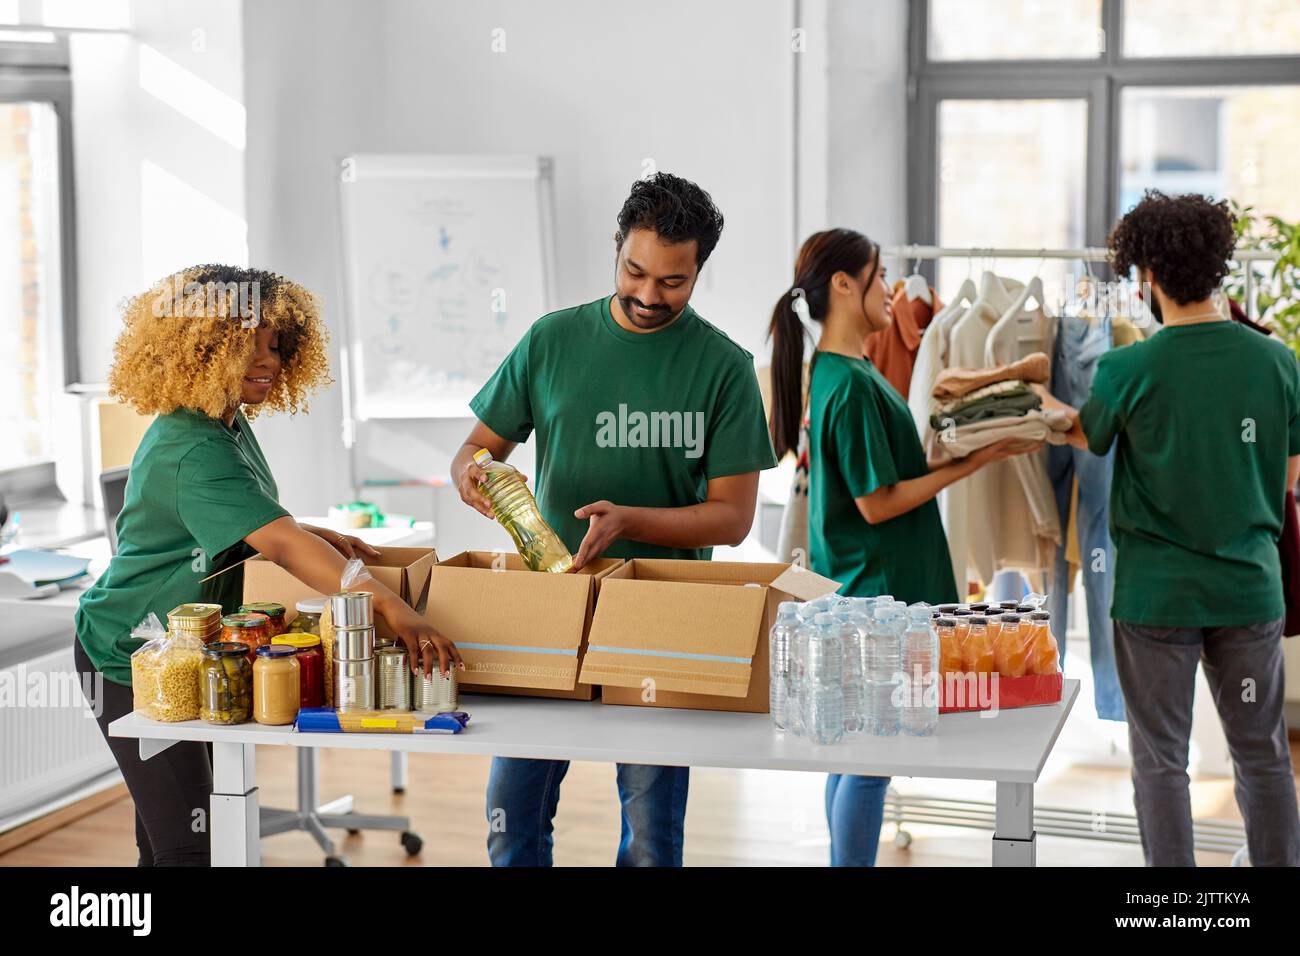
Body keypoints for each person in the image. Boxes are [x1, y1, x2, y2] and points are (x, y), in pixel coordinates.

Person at [74, 265, 460, 866]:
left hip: (184, 647)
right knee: (189, 845)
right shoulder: (195, 445)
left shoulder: (223, 419)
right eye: (245, 346)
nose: (269, 360)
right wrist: (396, 611)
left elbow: (255, 526)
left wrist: (309, 532)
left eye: (275, 344)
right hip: (130, 652)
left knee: (172, 837)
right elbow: (277, 544)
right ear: (201, 351)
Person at [453, 173, 778, 866]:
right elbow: (478, 447)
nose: (648, 296)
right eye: (635, 271)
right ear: (617, 248)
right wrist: (469, 473)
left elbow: (732, 518)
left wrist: (632, 520)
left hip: (661, 613)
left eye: (673, 282)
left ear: (699, 272)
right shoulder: (552, 340)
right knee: (513, 820)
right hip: (548, 608)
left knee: (653, 836)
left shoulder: (724, 369)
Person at [767, 228, 1037, 866]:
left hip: (864, 587)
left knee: (856, 756)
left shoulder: (839, 371)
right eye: (880, 275)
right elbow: (876, 501)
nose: (889, 290)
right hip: (876, 594)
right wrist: (973, 463)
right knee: (870, 761)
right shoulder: (853, 384)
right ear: (843, 285)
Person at [1064, 191, 1300, 866]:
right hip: (1249, 593)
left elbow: (1089, 437)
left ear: (1146, 278)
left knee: (1163, 764)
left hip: (1156, 600)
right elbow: (1286, 483)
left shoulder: (1127, 367)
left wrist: (1052, 410)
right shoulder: (1276, 362)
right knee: (1263, 757)